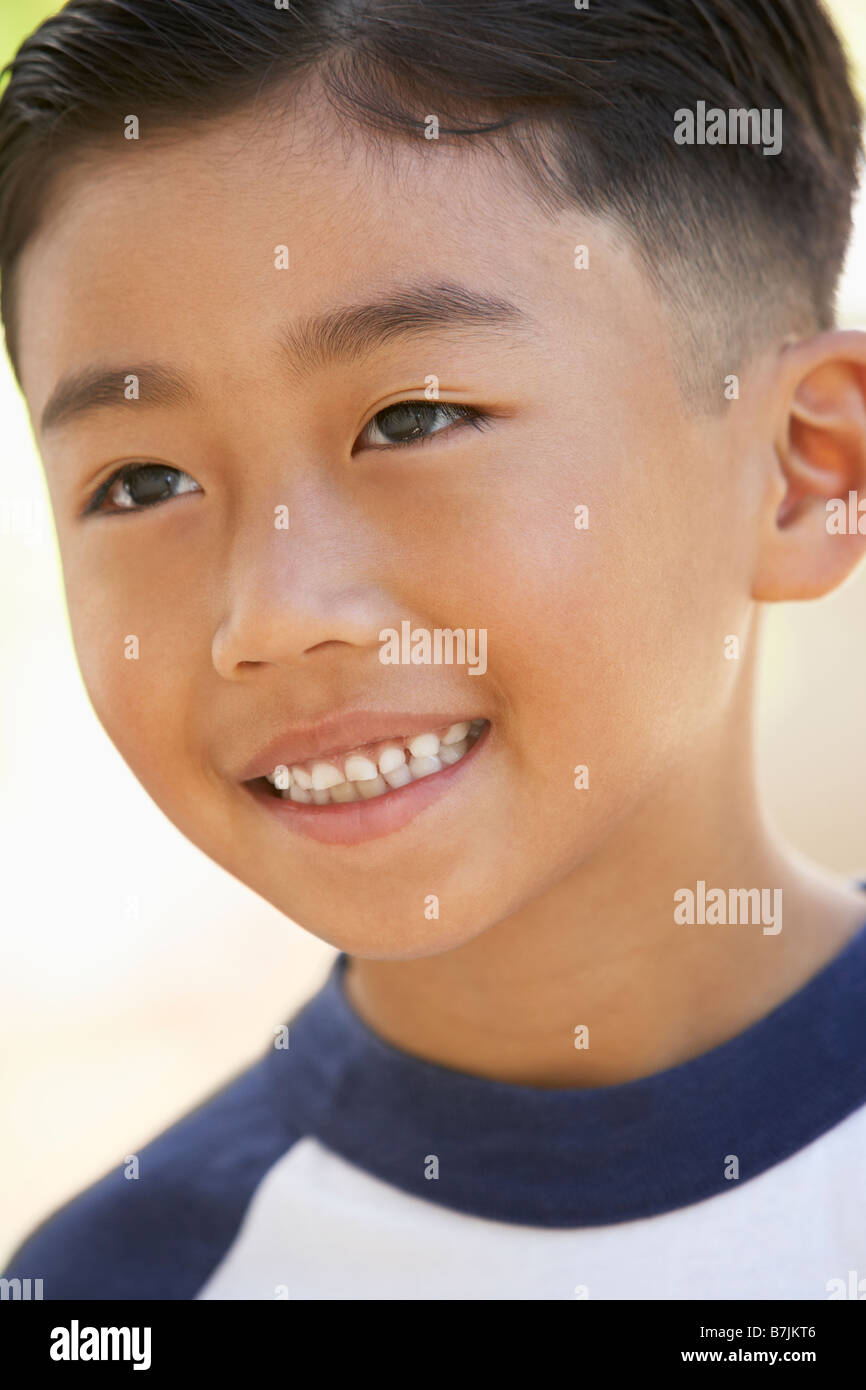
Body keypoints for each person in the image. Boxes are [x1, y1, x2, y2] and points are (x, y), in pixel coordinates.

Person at [2, 0, 865, 1299]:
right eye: (139, 483)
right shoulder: (116, 1291)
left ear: (805, 475)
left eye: (413, 417)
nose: (274, 612)